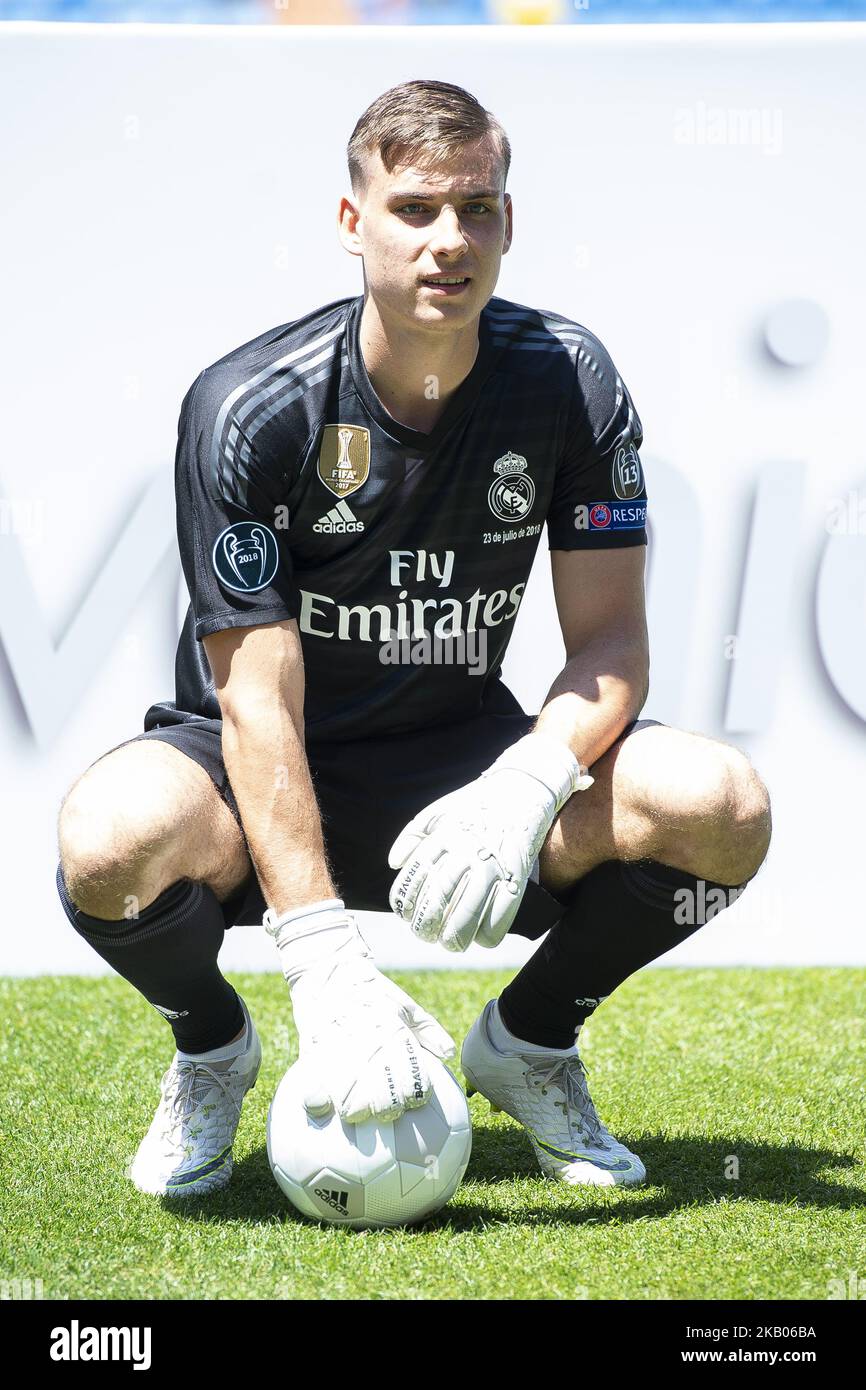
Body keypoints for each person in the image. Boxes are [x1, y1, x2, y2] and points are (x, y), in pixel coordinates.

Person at [55, 79, 771, 1199]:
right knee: (105, 841)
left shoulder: (568, 379)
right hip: (265, 763)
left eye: (476, 208)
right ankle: (210, 1049)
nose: (450, 240)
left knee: (720, 806)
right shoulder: (251, 407)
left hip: (459, 766)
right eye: (414, 209)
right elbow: (254, 701)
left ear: (508, 221)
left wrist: (528, 778)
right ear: (353, 223)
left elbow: (612, 642)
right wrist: (320, 958)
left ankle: (528, 1042)